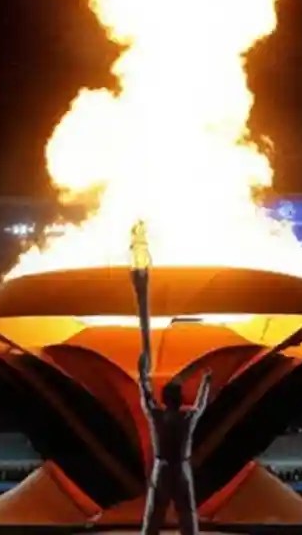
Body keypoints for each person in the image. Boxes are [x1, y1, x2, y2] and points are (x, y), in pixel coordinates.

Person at [130, 221, 212, 535]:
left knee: (153, 517)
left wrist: (141, 372)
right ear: (180, 399)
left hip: (162, 468)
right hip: (181, 467)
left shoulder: (156, 415)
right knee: (187, 515)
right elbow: (202, 405)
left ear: (167, 399)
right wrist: (205, 382)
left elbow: (143, 395)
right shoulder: (188, 417)